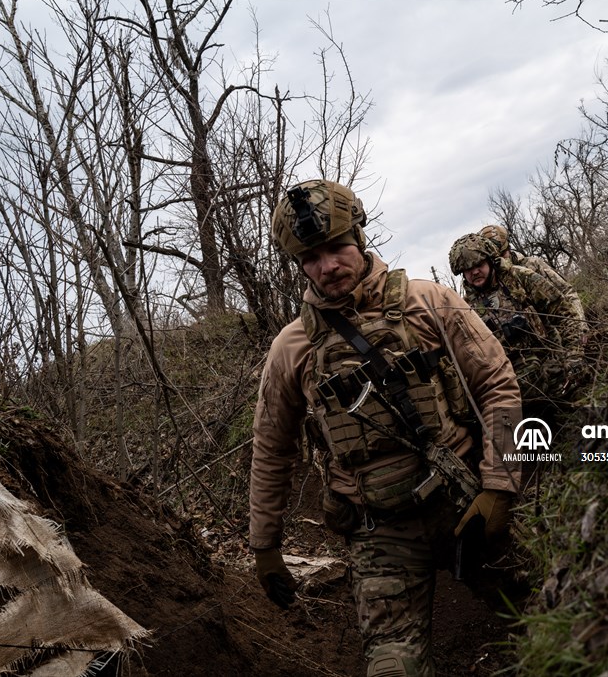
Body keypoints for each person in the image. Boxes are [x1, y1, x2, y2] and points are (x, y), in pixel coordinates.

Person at [248, 179, 522, 677]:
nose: (327, 265)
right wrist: (265, 545)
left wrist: (500, 487)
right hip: (380, 532)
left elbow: (498, 387)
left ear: (358, 237)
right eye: (311, 257)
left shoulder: (430, 302)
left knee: (542, 611)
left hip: (466, 502)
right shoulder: (291, 348)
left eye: (336, 247)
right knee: (392, 667)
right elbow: (271, 448)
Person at [449, 233, 586, 405]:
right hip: (514, 389)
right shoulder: (467, 308)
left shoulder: (521, 278)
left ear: (491, 260)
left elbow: (566, 315)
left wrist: (574, 356)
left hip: (555, 368)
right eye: (467, 270)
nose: (474, 271)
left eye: (478, 264)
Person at [479, 224, 587, 331]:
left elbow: (567, 292)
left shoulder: (532, 265)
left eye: (503, 255)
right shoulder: (488, 287)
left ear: (508, 248)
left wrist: (580, 327)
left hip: (560, 331)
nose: (501, 260)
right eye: (496, 258)